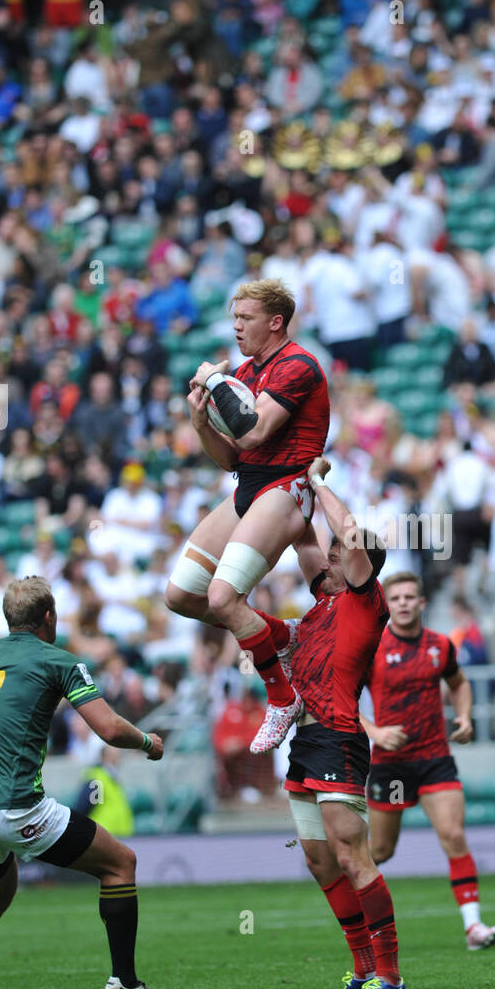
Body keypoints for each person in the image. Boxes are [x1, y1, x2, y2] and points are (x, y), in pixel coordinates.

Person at [0, 577, 163, 989]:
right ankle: (125, 984)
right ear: (50, 618)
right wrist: (148, 742)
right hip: (17, 807)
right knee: (120, 863)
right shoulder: (58, 661)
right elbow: (109, 729)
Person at [252, 457, 406, 989]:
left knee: (350, 855)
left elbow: (345, 535)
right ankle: (362, 968)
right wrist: (290, 484)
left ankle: (389, 975)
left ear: (359, 562)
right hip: (306, 740)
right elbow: (302, 541)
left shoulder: (366, 602)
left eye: (339, 553)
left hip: (339, 735)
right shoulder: (324, 603)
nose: (330, 555)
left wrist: (318, 482)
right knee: (320, 862)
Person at [165, 279, 330, 752]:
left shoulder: (297, 364)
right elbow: (232, 459)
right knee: (181, 595)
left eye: (246, 318)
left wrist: (214, 382)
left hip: (286, 489)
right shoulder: (246, 371)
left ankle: (282, 698)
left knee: (222, 597)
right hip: (250, 487)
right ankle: (285, 634)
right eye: (234, 318)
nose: (236, 327)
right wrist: (199, 422)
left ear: (275, 322)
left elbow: (254, 433)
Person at [361, 572, 495, 951]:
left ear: (422, 603)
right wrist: (374, 732)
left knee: (454, 835)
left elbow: (459, 683)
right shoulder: (371, 647)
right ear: (387, 605)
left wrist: (466, 717)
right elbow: (343, 697)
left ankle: (473, 927)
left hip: (435, 758)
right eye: (397, 598)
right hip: (391, 766)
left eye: (411, 596)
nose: (404, 603)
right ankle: (360, 921)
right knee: (380, 852)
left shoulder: (440, 645)